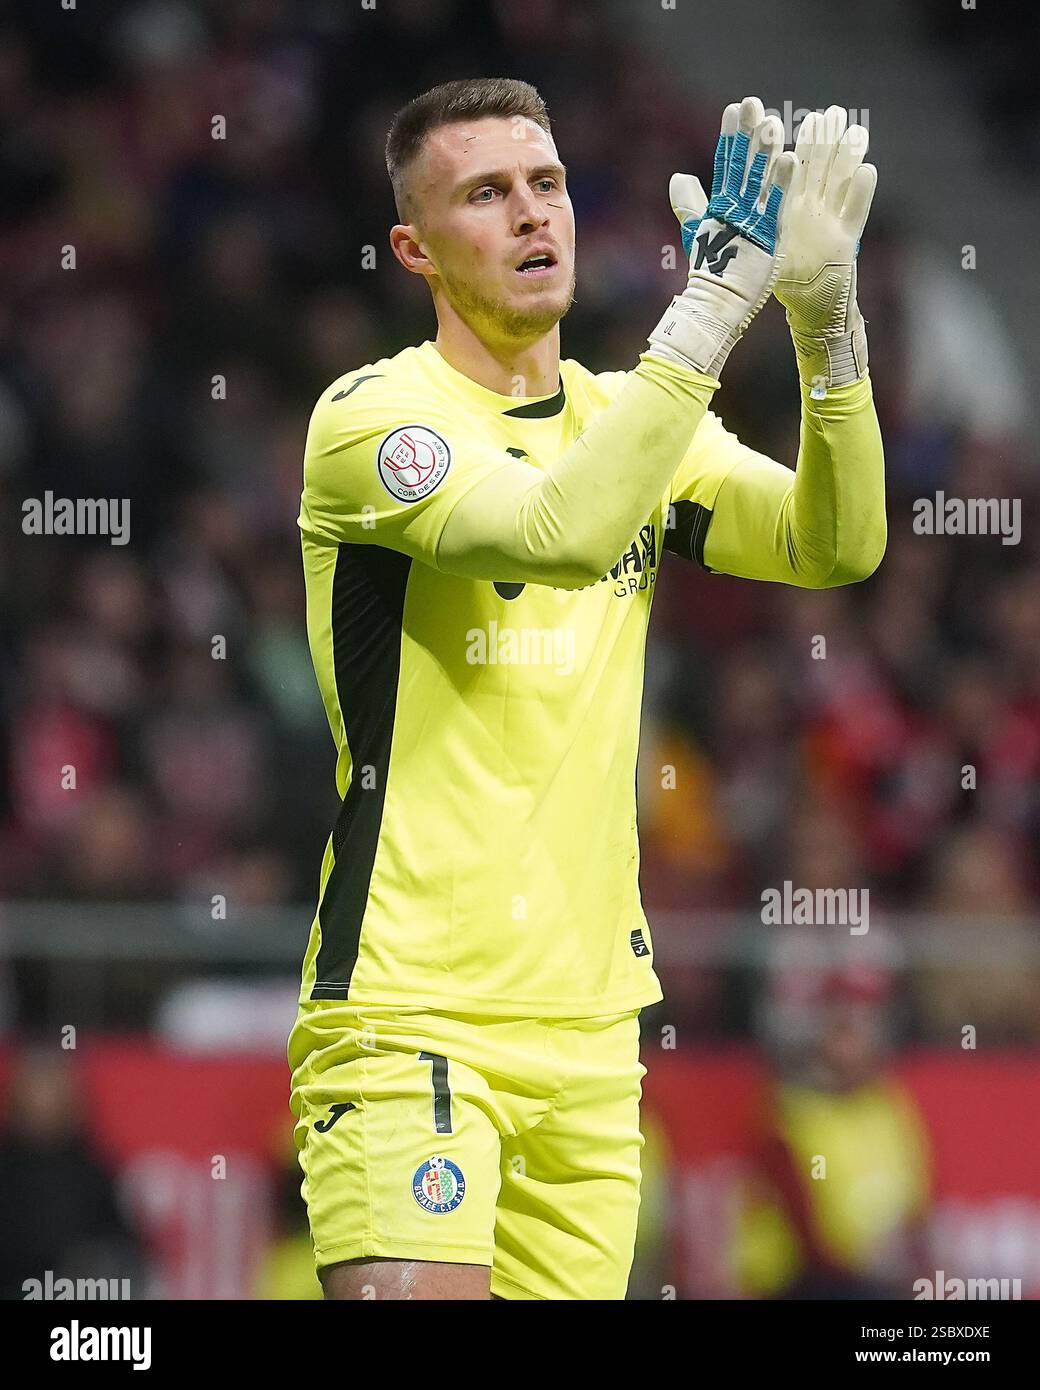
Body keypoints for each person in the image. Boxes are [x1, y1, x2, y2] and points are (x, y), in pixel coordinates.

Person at [287, 77, 886, 1301]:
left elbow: (836, 545)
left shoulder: (629, 421)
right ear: (413, 247)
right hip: (413, 1013)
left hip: (592, 1033)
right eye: (485, 194)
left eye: (545, 184)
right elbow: (559, 529)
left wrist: (823, 325)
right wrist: (716, 302)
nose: (527, 214)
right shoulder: (373, 421)